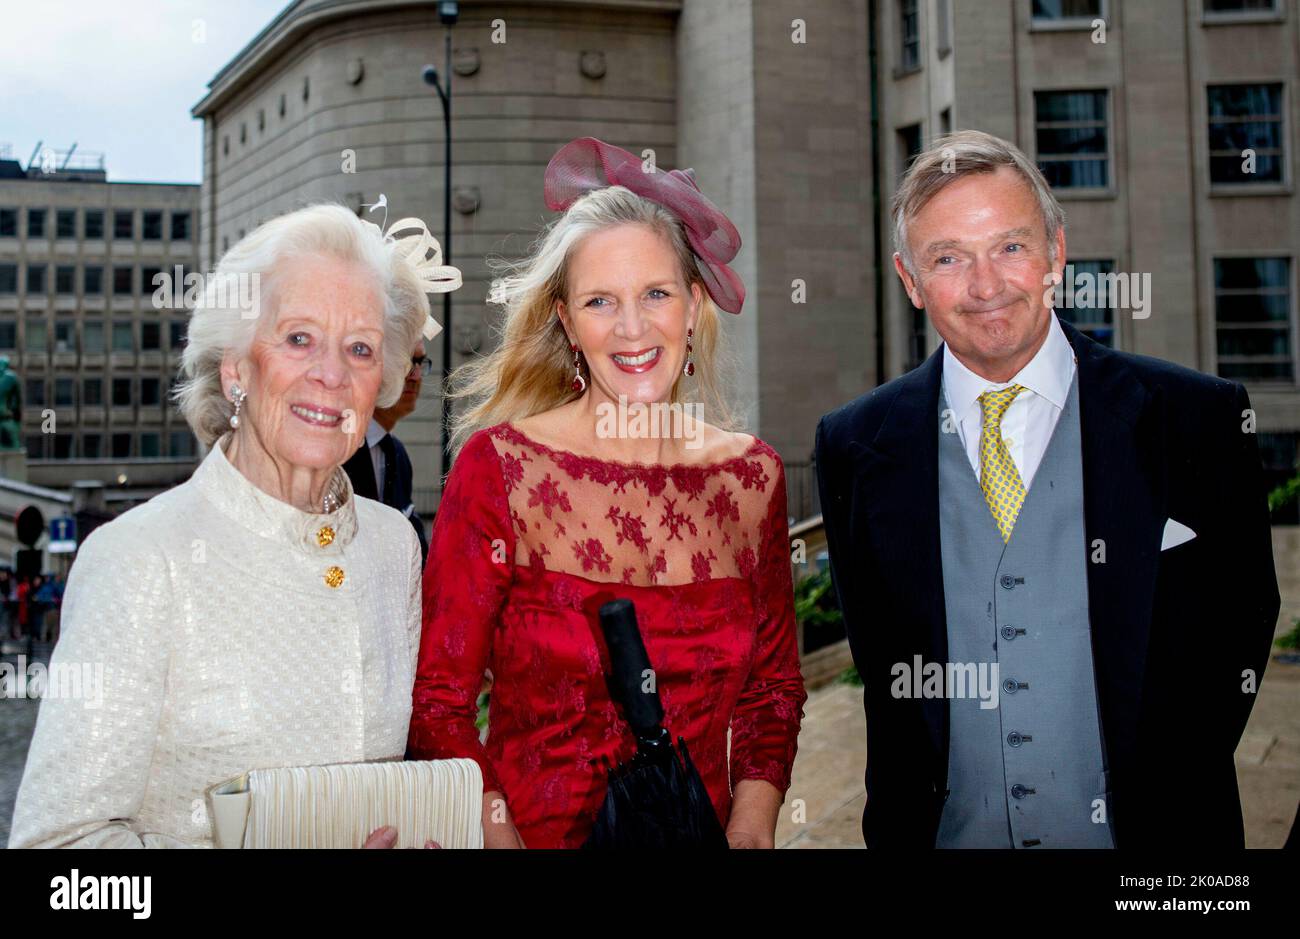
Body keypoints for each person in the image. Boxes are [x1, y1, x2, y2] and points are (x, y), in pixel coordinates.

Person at [814, 130, 1280, 849]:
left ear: (1057, 253)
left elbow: (1244, 621)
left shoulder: (1197, 419)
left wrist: (1170, 788)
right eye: (948, 258)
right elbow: (885, 668)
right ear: (910, 281)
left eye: (1010, 246)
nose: (986, 284)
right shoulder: (853, 445)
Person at [8, 203, 459, 848]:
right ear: (236, 368)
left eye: (359, 349)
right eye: (298, 338)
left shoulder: (392, 548)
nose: (330, 375)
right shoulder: (138, 559)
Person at [408, 137, 807, 848]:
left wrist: (750, 828)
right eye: (600, 300)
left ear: (693, 307)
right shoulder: (500, 469)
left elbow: (772, 692)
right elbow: (439, 704)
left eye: (655, 293)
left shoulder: (751, 481)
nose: (632, 327)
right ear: (565, 320)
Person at [342, 335, 430, 565]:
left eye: (421, 363)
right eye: (407, 363)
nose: (416, 376)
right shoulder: (336, 445)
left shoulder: (397, 454)